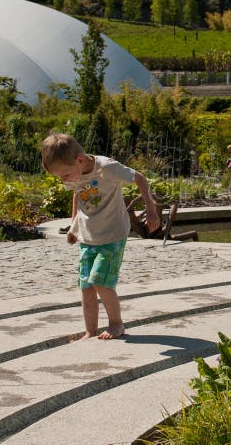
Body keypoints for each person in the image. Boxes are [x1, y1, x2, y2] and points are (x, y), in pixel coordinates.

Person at [41, 133, 159, 340]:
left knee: (100, 282)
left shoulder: (107, 168)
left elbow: (139, 178)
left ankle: (116, 324)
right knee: (86, 285)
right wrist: (73, 226)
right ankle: (90, 330)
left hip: (112, 234)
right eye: (60, 177)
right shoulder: (74, 172)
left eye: (64, 175)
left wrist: (150, 208)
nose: (63, 180)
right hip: (88, 236)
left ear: (79, 160)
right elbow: (77, 195)